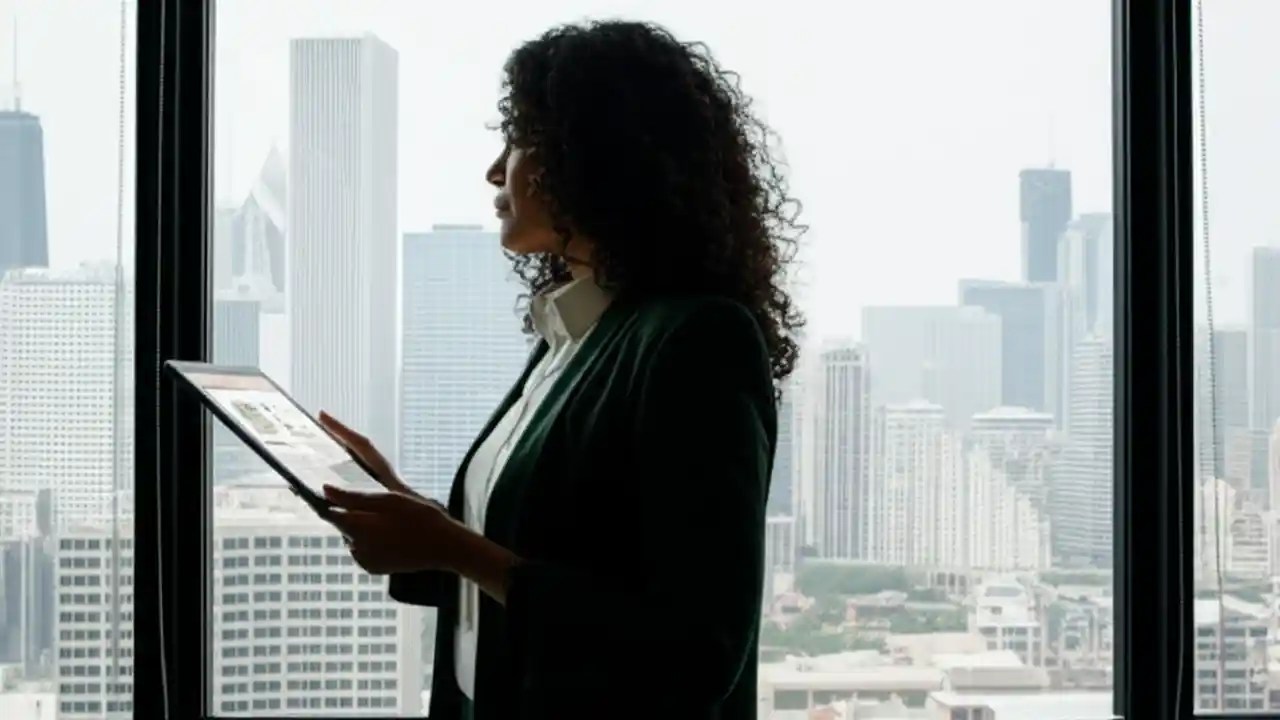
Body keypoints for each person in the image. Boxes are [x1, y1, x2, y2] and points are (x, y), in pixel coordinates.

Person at [317, 19, 804, 719]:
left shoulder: (697, 339)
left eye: (516, 139)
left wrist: (456, 548)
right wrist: (421, 524)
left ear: (593, 155)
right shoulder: (568, 337)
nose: (494, 171)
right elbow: (553, 555)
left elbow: (698, 649)